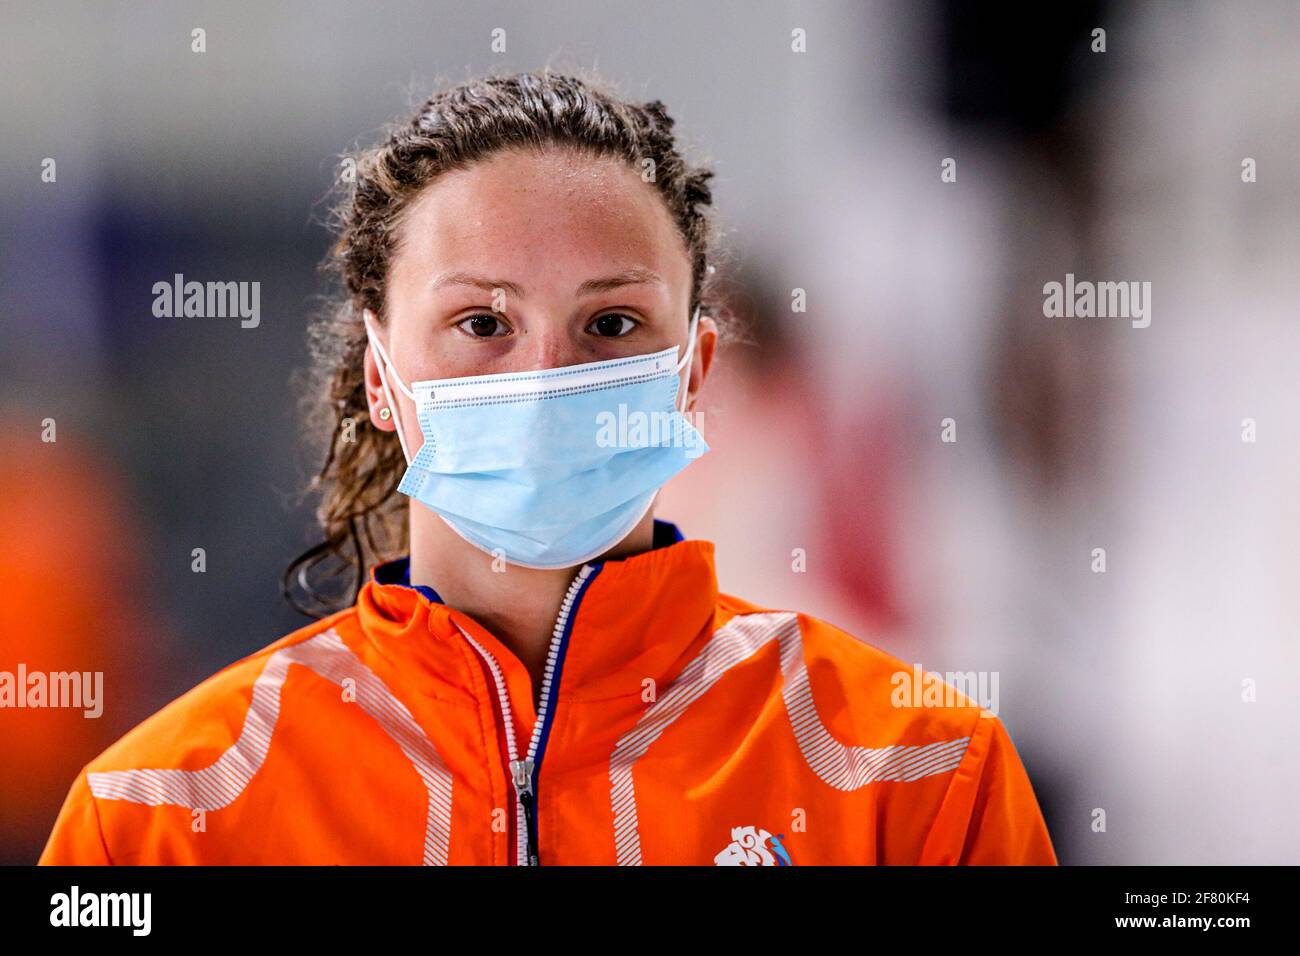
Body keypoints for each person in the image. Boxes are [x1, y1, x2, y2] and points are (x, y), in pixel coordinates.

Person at [39, 71, 1056, 866]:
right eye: (481, 322)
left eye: (609, 324)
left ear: (692, 371)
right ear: (381, 374)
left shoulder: (911, 769)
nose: (543, 378)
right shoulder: (163, 810)